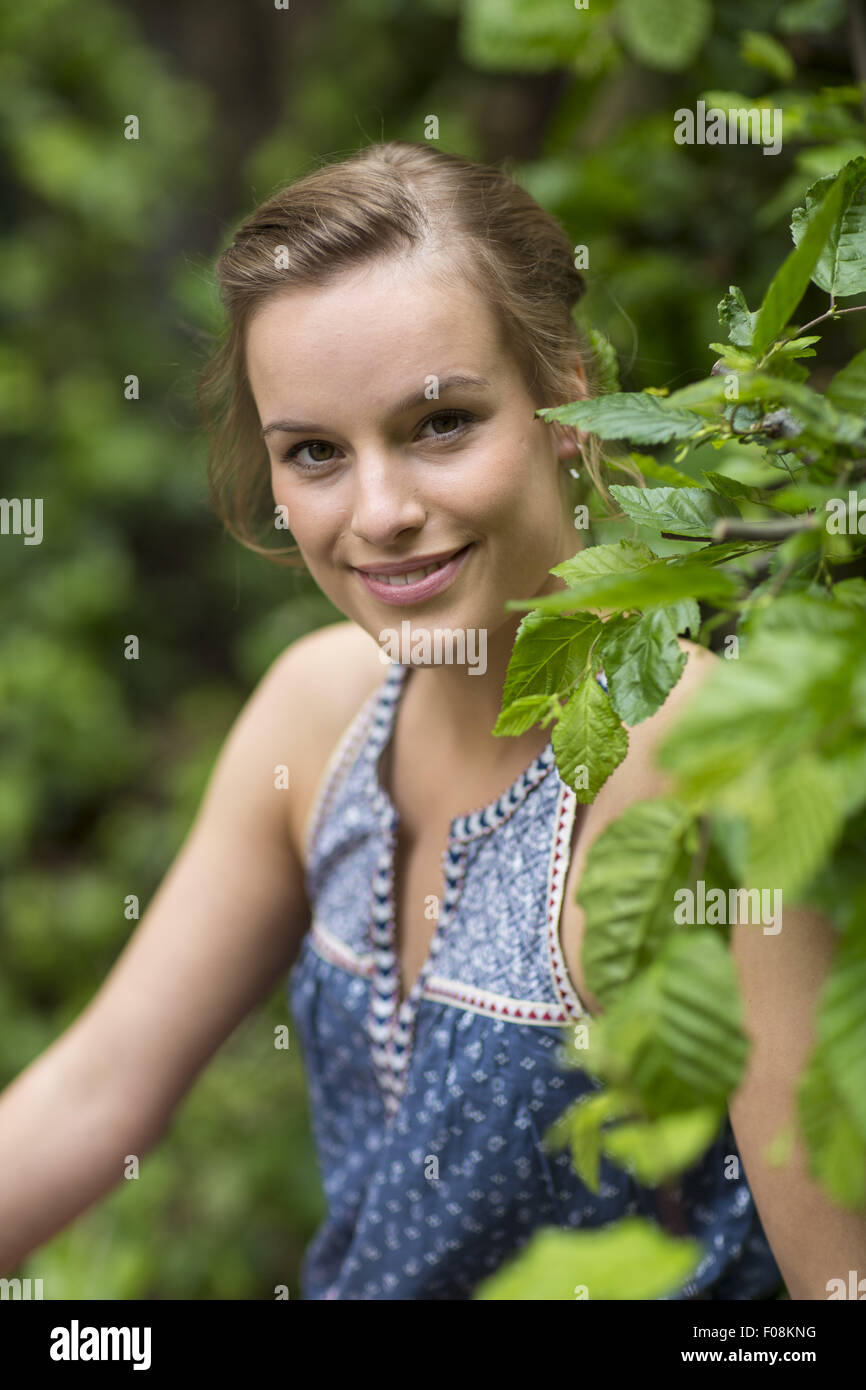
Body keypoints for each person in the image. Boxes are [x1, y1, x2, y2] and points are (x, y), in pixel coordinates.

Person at [0, 140, 855, 1300]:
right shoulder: (317, 713)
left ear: (565, 396)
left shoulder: (709, 764)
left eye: (438, 423)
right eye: (313, 452)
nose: (381, 512)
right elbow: (98, 1091)